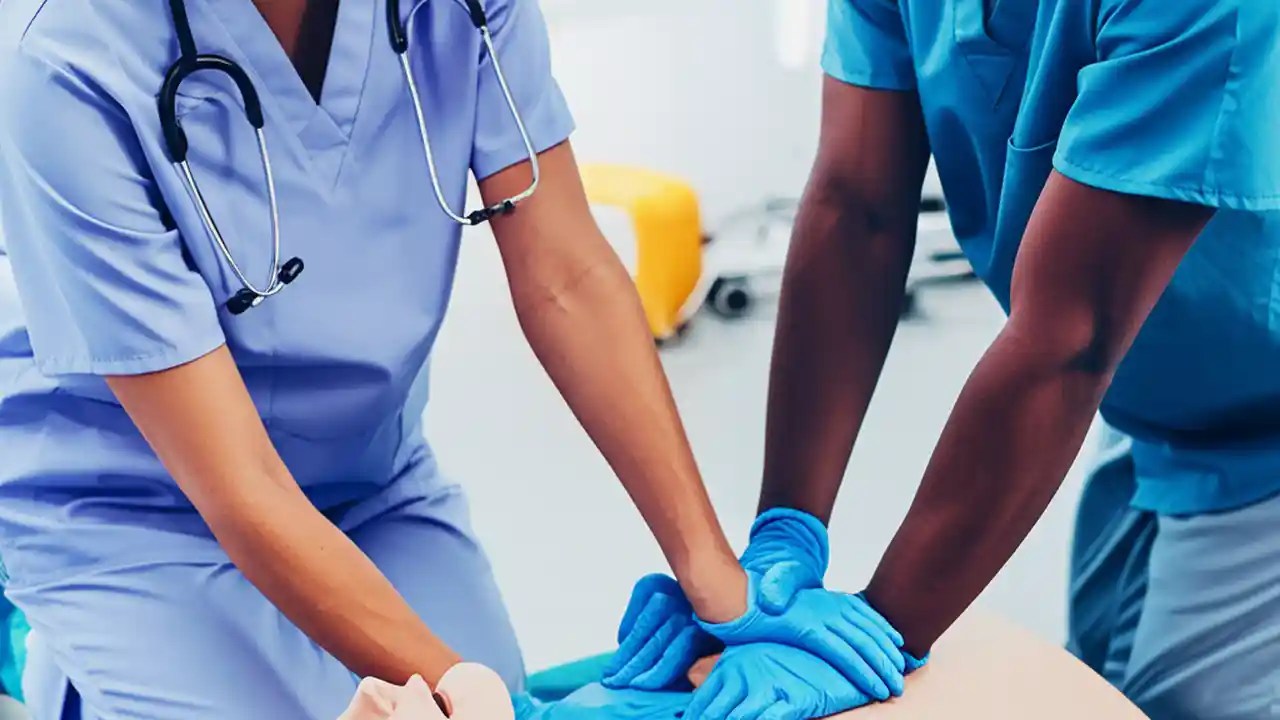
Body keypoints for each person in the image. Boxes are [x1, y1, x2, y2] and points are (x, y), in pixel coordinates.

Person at [0, 0, 904, 717]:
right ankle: (42, 646)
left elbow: (569, 277)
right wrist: (495, 711)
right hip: (133, 510)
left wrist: (721, 582)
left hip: (369, 480)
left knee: (474, 686)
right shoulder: (68, 62)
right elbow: (239, 487)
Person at [607, 0, 1280, 718]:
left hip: (1256, 418)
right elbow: (855, 208)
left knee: (1178, 703)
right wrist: (783, 544)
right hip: (1162, 402)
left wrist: (879, 637)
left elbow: (1069, 342)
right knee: (1097, 676)